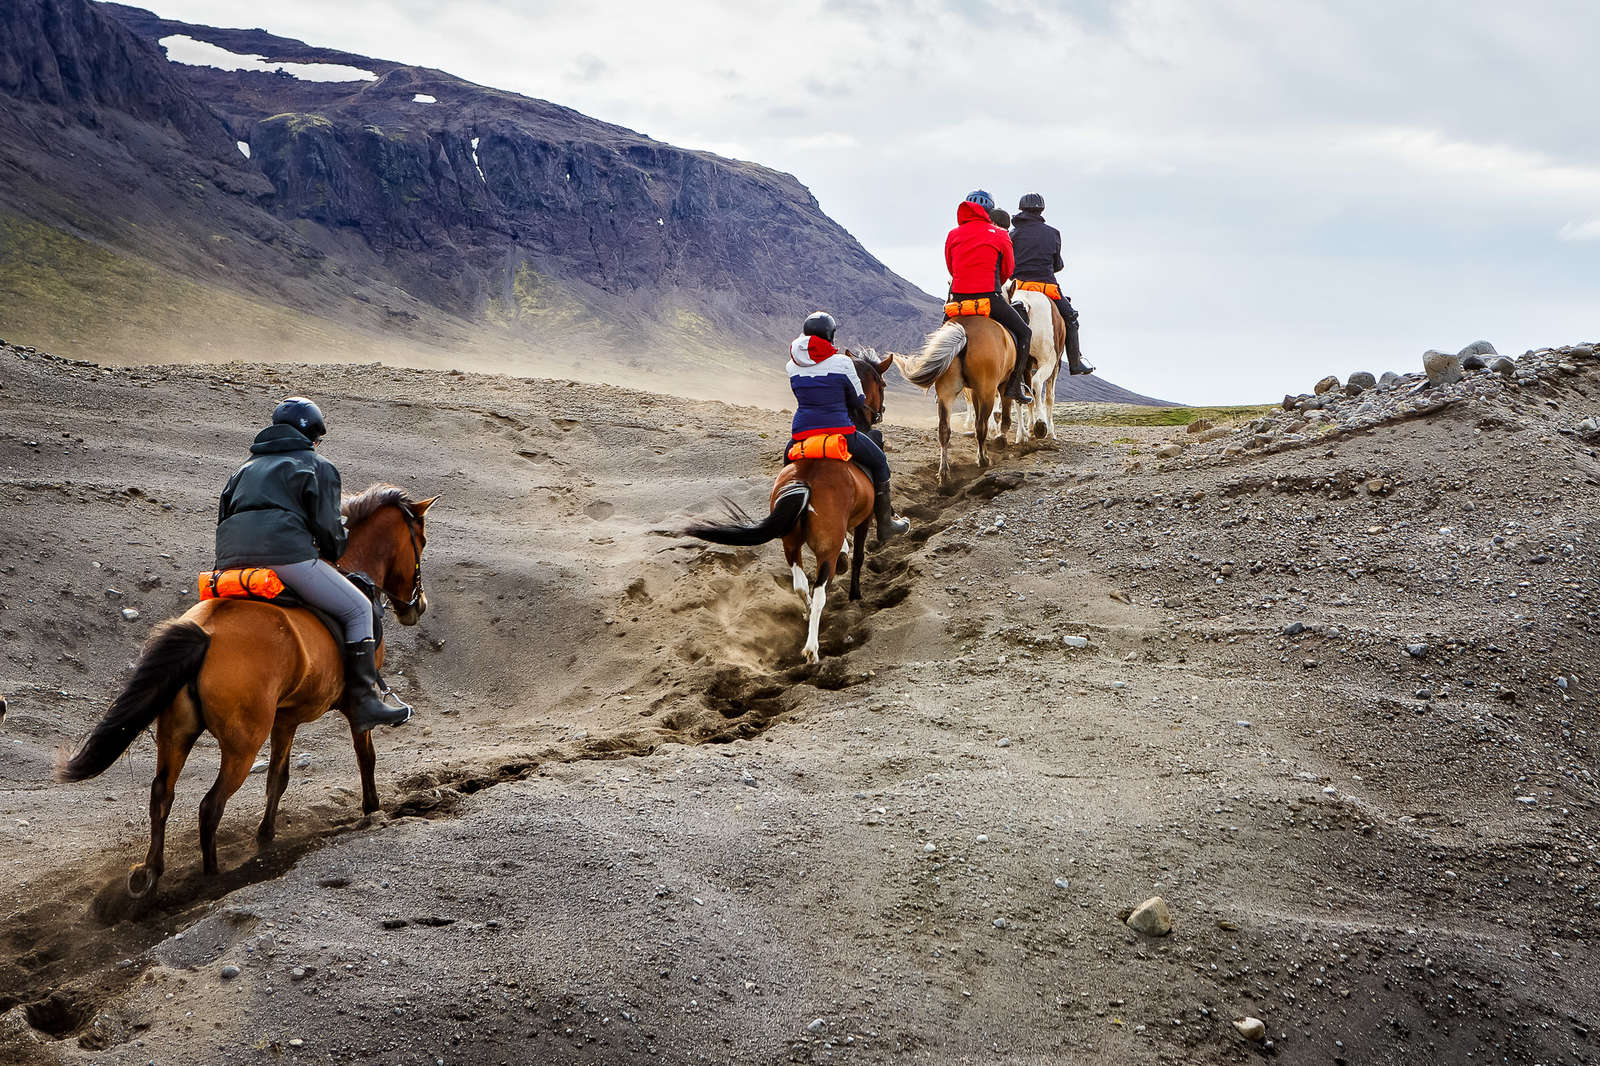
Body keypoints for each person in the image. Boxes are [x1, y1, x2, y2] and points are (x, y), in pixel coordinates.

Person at [214, 397, 412, 732]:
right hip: (287, 559)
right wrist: (334, 549)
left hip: (231, 564)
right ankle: (365, 702)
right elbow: (328, 529)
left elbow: (224, 516)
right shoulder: (317, 466)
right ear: (313, 438)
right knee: (359, 609)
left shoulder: (243, 469)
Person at [787, 312, 909, 544]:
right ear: (830, 336)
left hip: (801, 434)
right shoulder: (843, 363)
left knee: (788, 469)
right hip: (840, 432)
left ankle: (787, 512)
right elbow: (858, 400)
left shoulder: (791, 365)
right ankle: (886, 524)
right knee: (880, 462)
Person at [944, 190, 1033, 403]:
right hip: (989, 298)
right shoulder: (1000, 234)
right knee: (1024, 333)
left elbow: (951, 267)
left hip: (958, 299)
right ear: (990, 211)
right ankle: (1014, 387)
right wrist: (993, 283)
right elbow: (1008, 269)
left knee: (940, 336)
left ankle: (938, 376)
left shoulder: (953, 234)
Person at [1010, 192, 1093, 375]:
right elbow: (1058, 264)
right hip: (1047, 287)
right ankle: (1076, 362)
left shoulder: (1013, 234)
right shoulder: (1053, 233)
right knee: (1070, 317)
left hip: (1019, 287)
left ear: (1021, 209)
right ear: (1041, 210)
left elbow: (1009, 265)